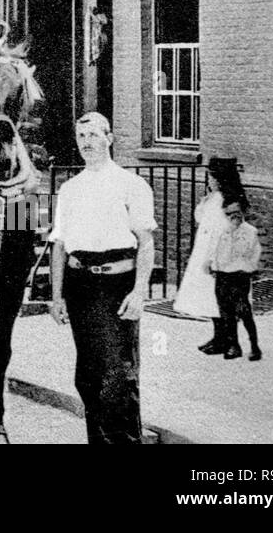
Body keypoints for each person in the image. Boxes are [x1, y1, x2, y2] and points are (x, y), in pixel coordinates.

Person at [49, 112, 156, 444]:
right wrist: (56, 297)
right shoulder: (70, 188)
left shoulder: (131, 184)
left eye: (94, 135)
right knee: (89, 377)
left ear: (109, 138)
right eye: (82, 137)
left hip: (117, 286)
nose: (87, 143)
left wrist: (139, 292)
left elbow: (146, 242)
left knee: (118, 378)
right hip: (80, 285)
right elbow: (60, 246)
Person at [173, 157, 243, 353]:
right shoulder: (213, 198)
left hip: (219, 254)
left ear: (221, 179)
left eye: (211, 177)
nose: (209, 181)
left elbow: (233, 230)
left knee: (224, 299)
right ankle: (218, 337)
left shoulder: (230, 202)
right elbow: (200, 218)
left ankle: (231, 342)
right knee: (210, 298)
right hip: (205, 251)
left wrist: (217, 257)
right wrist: (204, 201)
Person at [209, 193, 262, 360]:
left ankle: (254, 345)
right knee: (226, 311)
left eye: (237, 212)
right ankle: (233, 344)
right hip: (223, 275)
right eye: (229, 213)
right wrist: (212, 264)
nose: (234, 217)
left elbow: (247, 252)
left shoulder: (250, 232)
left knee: (243, 310)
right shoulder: (220, 231)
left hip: (240, 274)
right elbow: (214, 250)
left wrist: (249, 269)